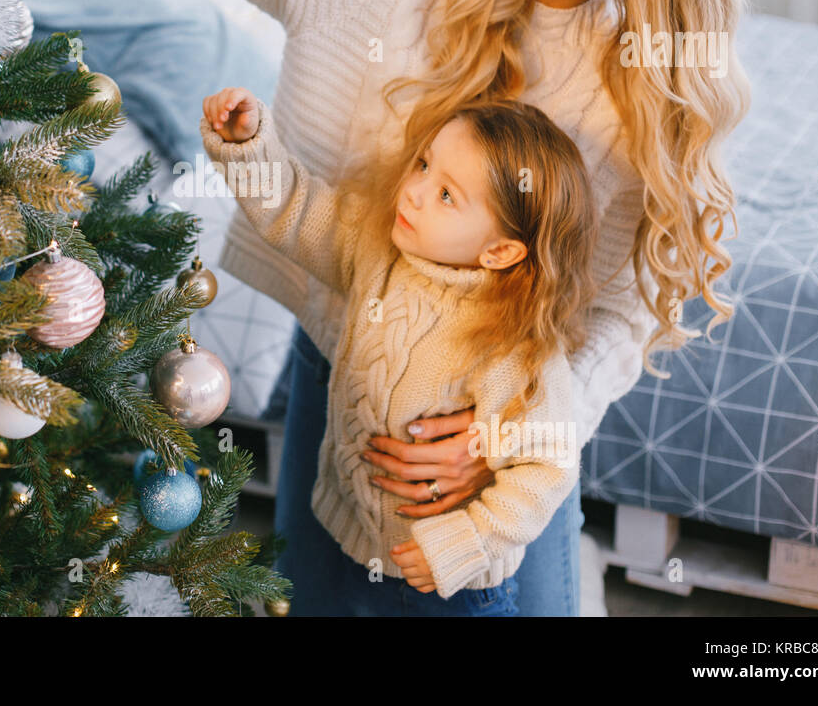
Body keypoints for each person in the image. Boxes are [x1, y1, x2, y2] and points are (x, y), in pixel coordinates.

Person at [0, 0, 752, 614]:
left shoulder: (634, 92)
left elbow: (618, 313)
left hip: (496, 458)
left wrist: (515, 436)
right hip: (339, 375)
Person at [200, 84, 597, 615]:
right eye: (424, 164)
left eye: (447, 195)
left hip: (453, 585)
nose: (413, 191)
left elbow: (546, 468)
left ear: (500, 250)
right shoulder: (376, 246)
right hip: (349, 539)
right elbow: (296, 210)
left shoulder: (513, 345)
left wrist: (466, 543)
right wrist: (249, 147)